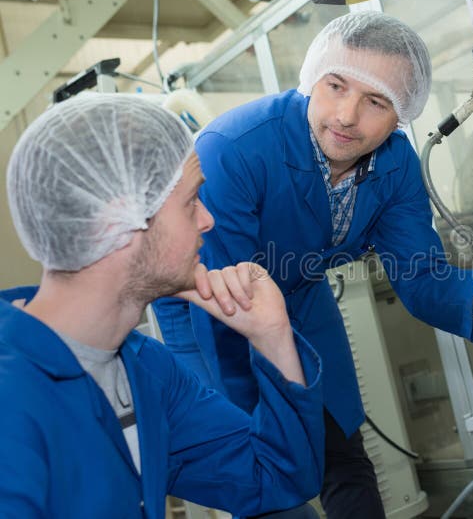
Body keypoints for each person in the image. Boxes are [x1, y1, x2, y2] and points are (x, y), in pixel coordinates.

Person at [153, 11, 473, 518]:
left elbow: (420, 276)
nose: (346, 115)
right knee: (262, 472)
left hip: (300, 294)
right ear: (313, 79)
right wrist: (257, 425)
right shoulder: (234, 150)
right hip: (211, 309)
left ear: (402, 113)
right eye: (336, 86)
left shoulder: (396, 164)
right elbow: (223, 303)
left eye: (375, 101)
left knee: (343, 450)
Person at [0, 94, 326, 518]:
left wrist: (271, 335)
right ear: (118, 221)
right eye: (191, 201)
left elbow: (277, 479)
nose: (208, 219)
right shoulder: (13, 395)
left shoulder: (145, 369)